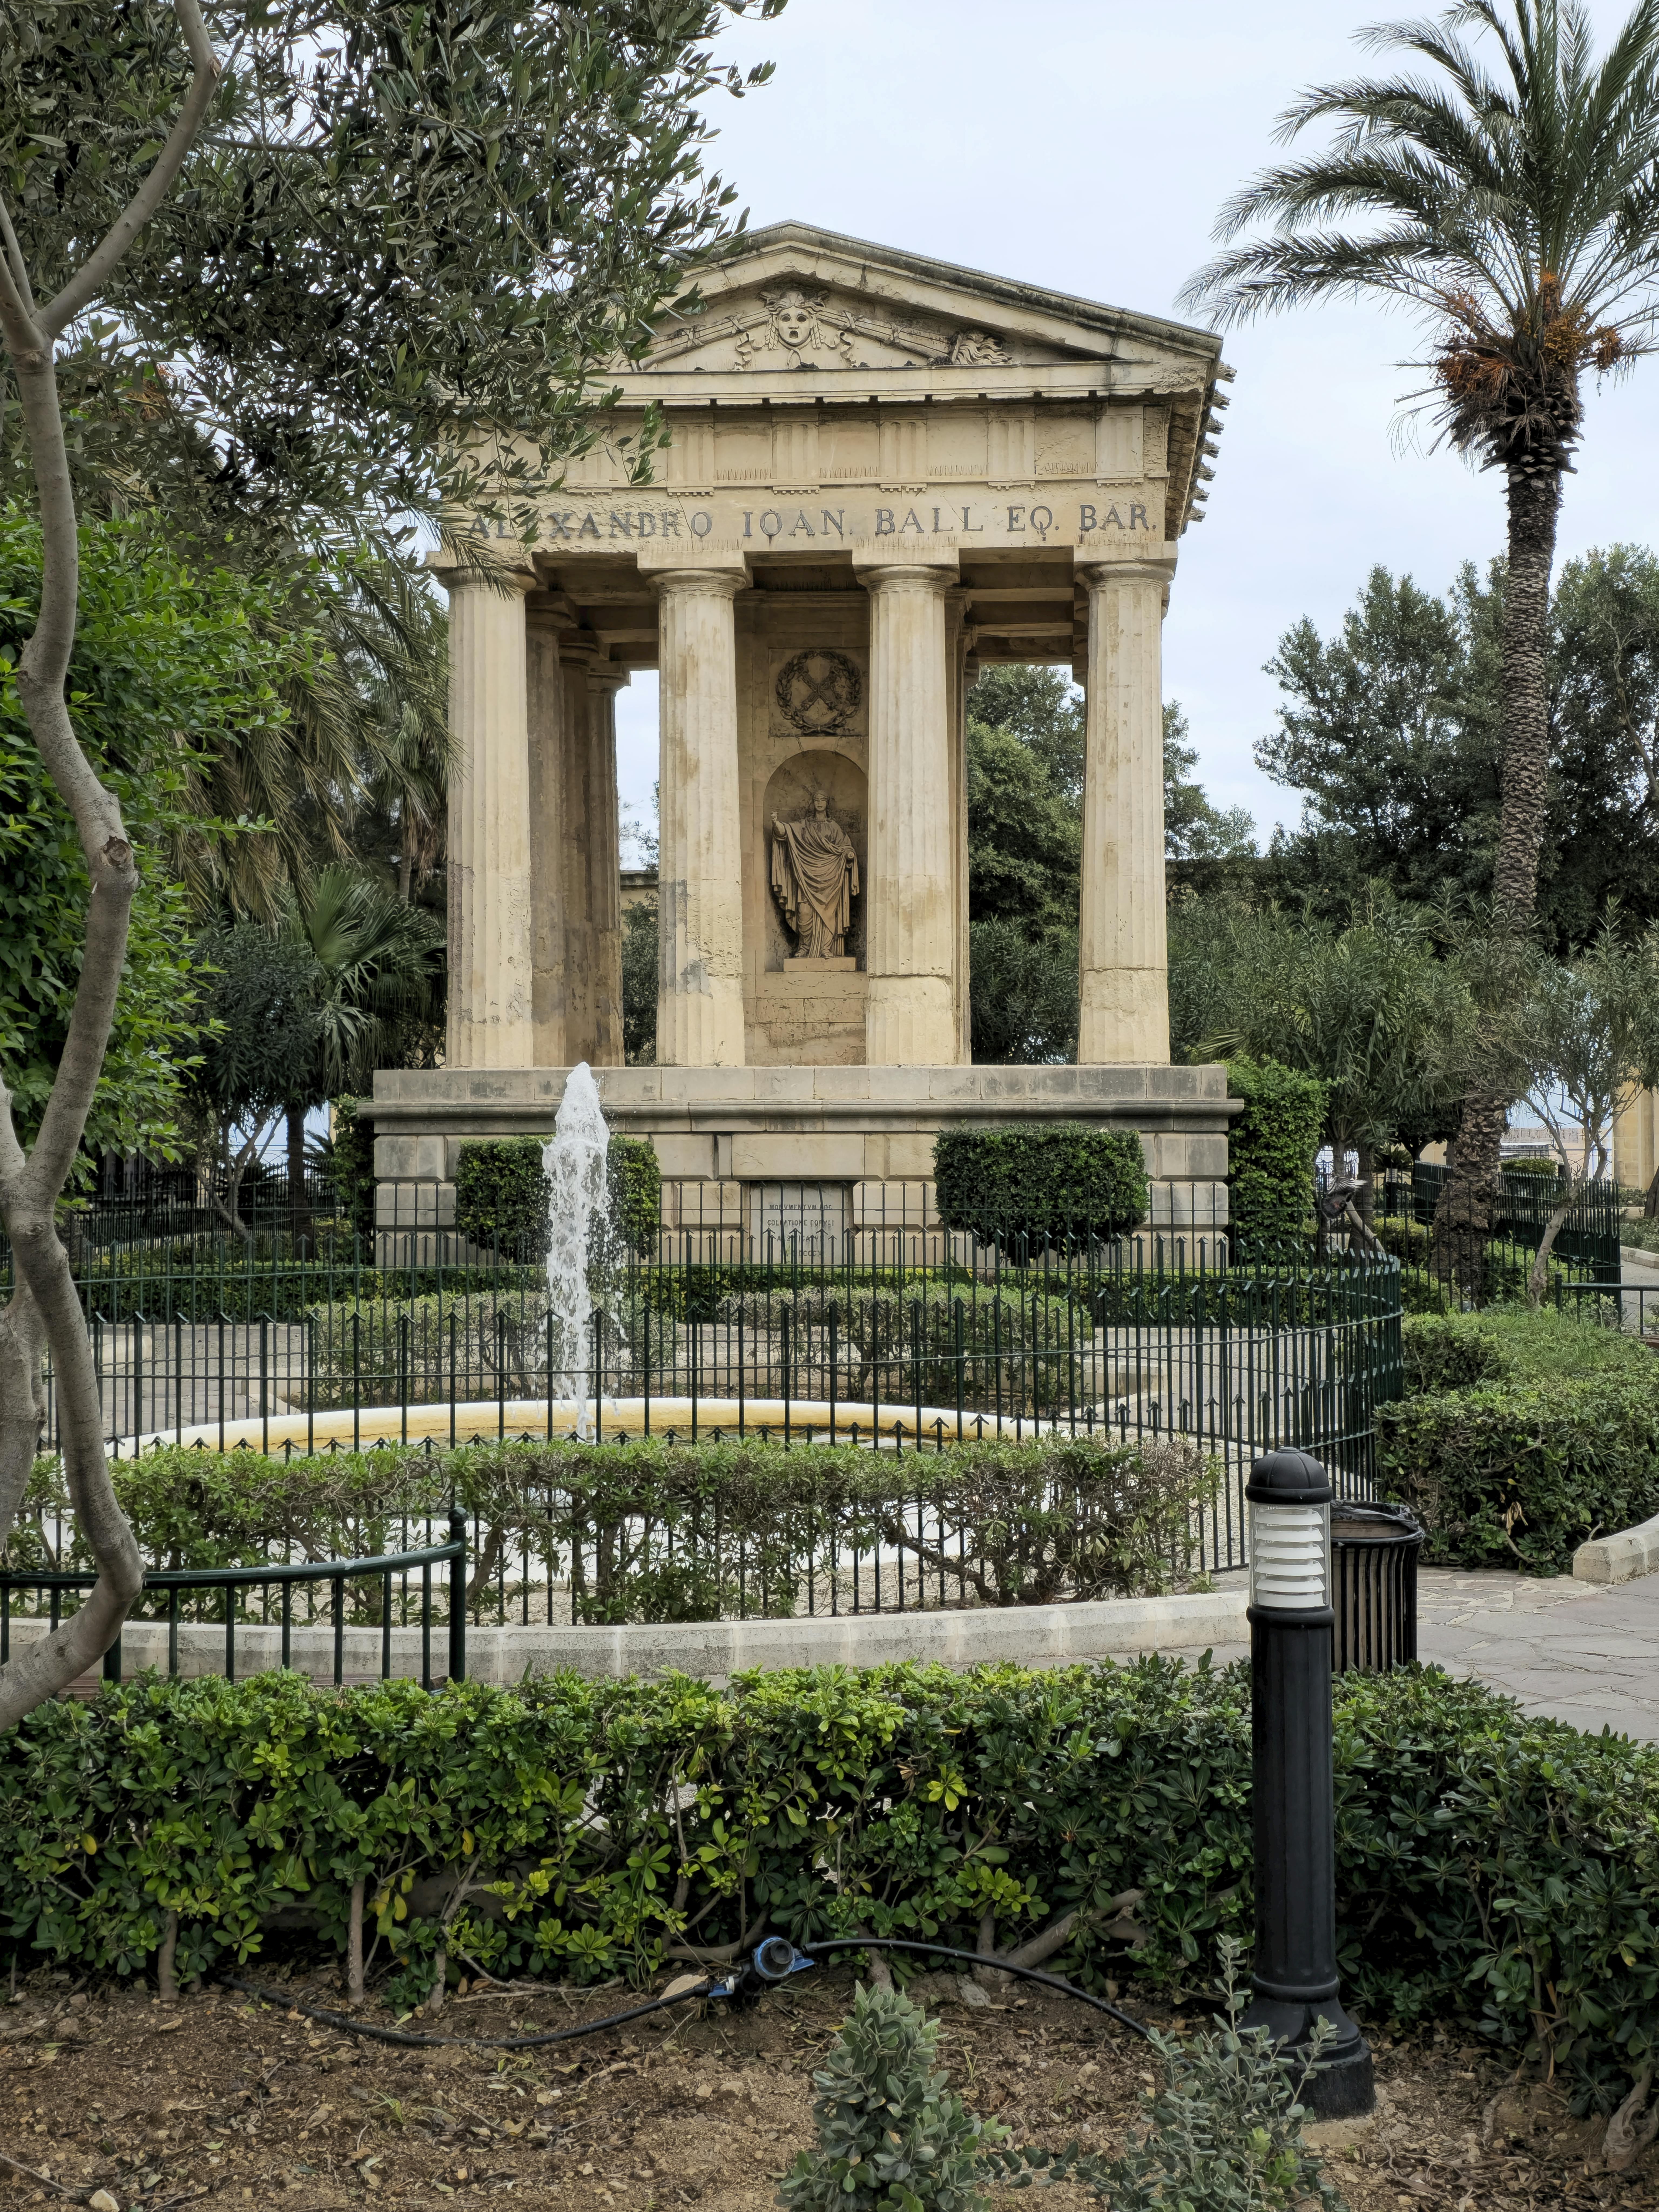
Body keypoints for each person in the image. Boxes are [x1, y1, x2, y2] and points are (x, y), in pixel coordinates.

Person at [770, 793, 859, 959]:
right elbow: (786, 832)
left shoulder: (834, 827)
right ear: (813, 803)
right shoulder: (804, 825)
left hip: (831, 877)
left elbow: (845, 846)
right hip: (807, 876)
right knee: (804, 912)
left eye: (822, 801)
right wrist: (776, 823)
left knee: (829, 913)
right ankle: (805, 946)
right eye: (817, 800)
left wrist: (849, 854)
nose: (819, 804)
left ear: (827, 804)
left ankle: (826, 948)